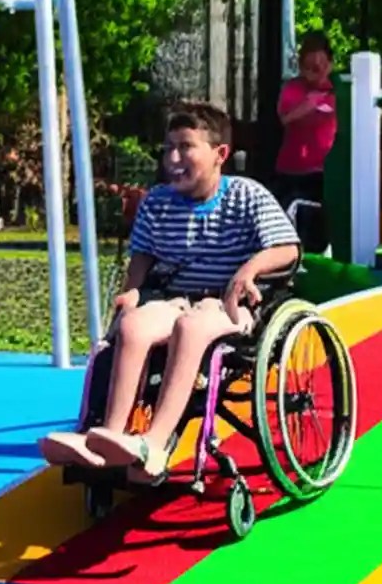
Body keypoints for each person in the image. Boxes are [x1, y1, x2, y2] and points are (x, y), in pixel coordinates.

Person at [38, 102, 301, 484]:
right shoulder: (157, 202)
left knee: (191, 328)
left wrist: (249, 270)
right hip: (175, 297)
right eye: (168, 149)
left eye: (186, 147)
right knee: (135, 326)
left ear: (219, 154)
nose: (173, 158)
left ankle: (155, 445)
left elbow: (288, 248)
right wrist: (130, 295)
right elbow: (143, 257)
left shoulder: (247, 195)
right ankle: (109, 437)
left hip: (232, 303)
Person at [274, 31, 335, 253]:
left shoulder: (339, 90)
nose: (314, 73)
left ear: (330, 64)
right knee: (289, 222)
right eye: (309, 67)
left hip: (325, 171)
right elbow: (284, 118)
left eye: (319, 66)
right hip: (293, 170)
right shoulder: (293, 89)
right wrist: (307, 106)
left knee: (322, 226)